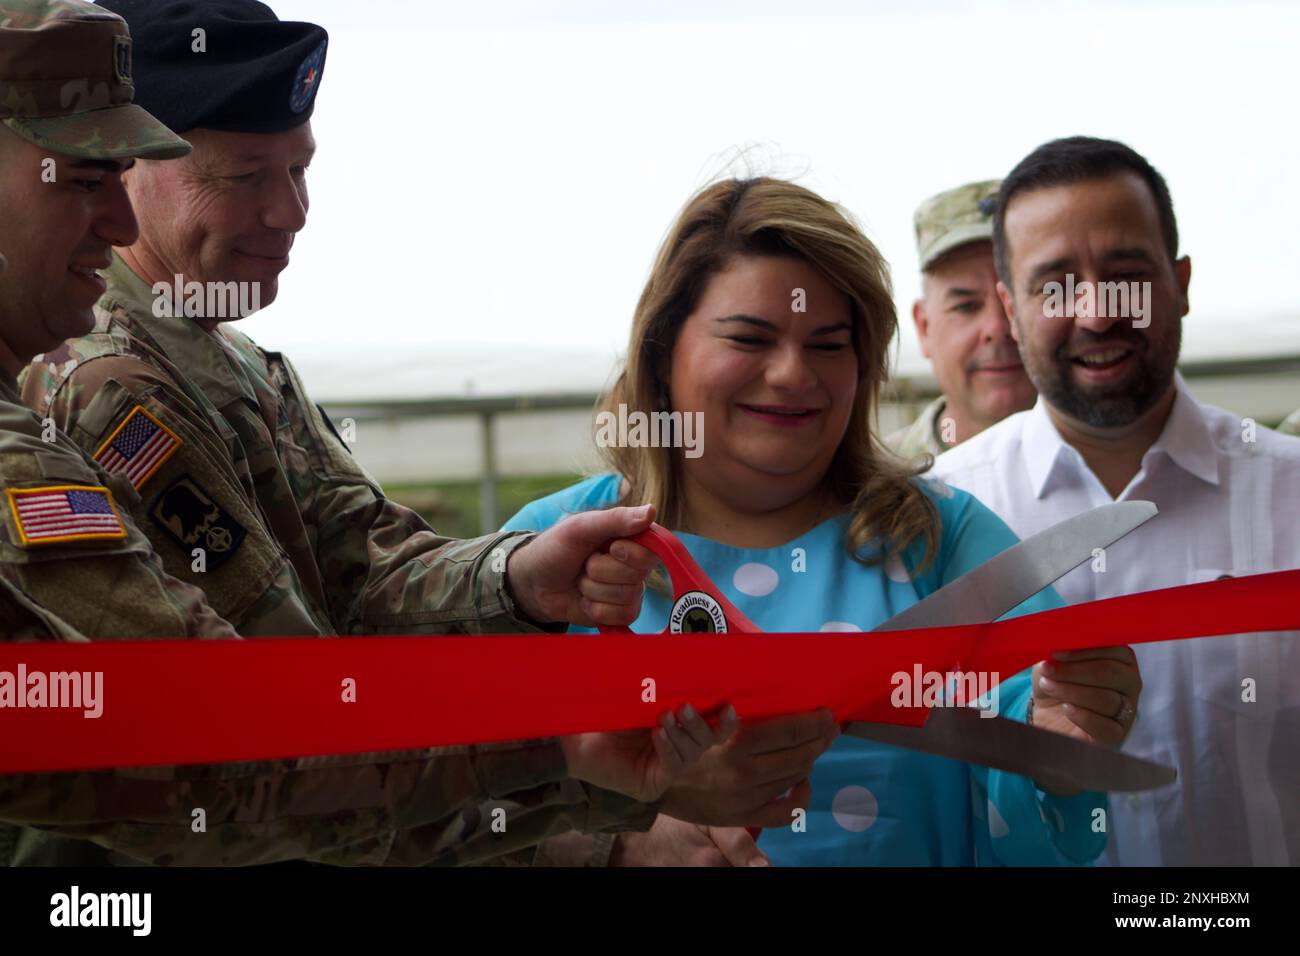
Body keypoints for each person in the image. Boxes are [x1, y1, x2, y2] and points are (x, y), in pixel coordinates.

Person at [0, 0, 728, 867]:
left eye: (300, 170)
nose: (291, 212)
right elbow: (272, 734)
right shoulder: (116, 387)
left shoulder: (227, 356)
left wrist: (517, 579)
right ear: (145, 170)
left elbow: (362, 566)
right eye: (243, 177)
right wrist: (578, 794)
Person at [501, 176, 1145, 866]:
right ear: (662, 349)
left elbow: (1036, 716)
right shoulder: (548, 553)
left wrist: (1056, 734)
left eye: (829, 344)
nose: (791, 373)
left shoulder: (940, 538)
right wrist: (620, 845)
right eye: (750, 338)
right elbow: (450, 798)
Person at [931, 136, 1300, 865]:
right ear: (1010, 305)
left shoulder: (1290, 495)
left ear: (1182, 281)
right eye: (1056, 286)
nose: (1098, 314)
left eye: (1128, 275)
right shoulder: (936, 517)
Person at [886, 180, 1035, 459]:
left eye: (1015, 300)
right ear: (924, 328)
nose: (997, 327)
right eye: (966, 306)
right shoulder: (866, 486)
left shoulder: (1128, 469)